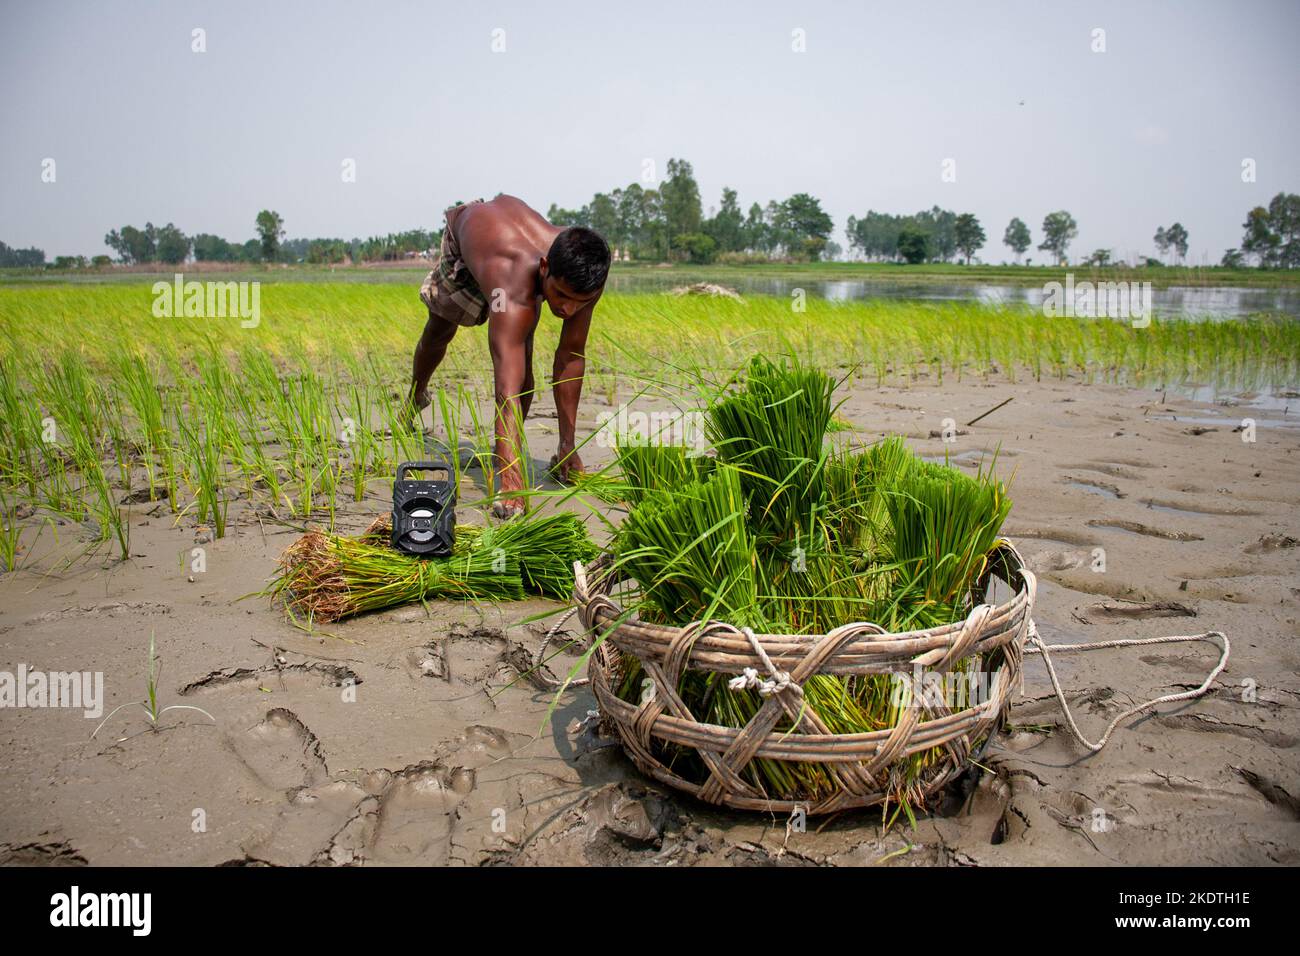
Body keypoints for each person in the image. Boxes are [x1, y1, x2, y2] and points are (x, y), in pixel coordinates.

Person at [409, 194, 610, 519]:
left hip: (516, 252)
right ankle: (415, 396)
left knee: (526, 356)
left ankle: (509, 449)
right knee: (439, 331)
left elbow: (570, 357)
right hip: (470, 241)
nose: (566, 310)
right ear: (545, 269)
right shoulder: (514, 278)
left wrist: (567, 445)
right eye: (560, 296)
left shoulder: (586, 275)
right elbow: (507, 386)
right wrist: (510, 480)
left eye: (579, 302)